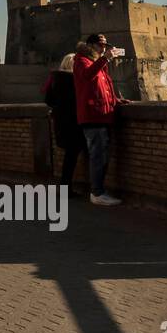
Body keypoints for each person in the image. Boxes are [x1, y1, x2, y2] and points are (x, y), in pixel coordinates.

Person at [71, 34, 123, 206]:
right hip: (92, 115)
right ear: (91, 45)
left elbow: (104, 87)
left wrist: (115, 100)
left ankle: (99, 191)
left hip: (102, 114)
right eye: (100, 45)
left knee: (101, 155)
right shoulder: (82, 60)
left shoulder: (97, 62)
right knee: (98, 156)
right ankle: (97, 193)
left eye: (105, 46)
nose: (103, 48)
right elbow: (87, 77)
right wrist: (105, 59)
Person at [42, 54, 84, 195]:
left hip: (61, 122)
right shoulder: (74, 79)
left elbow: (48, 100)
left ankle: (66, 187)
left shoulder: (55, 79)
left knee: (69, 156)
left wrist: (59, 108)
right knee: (71, 156)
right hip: (74, 122)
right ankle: (66, 189)